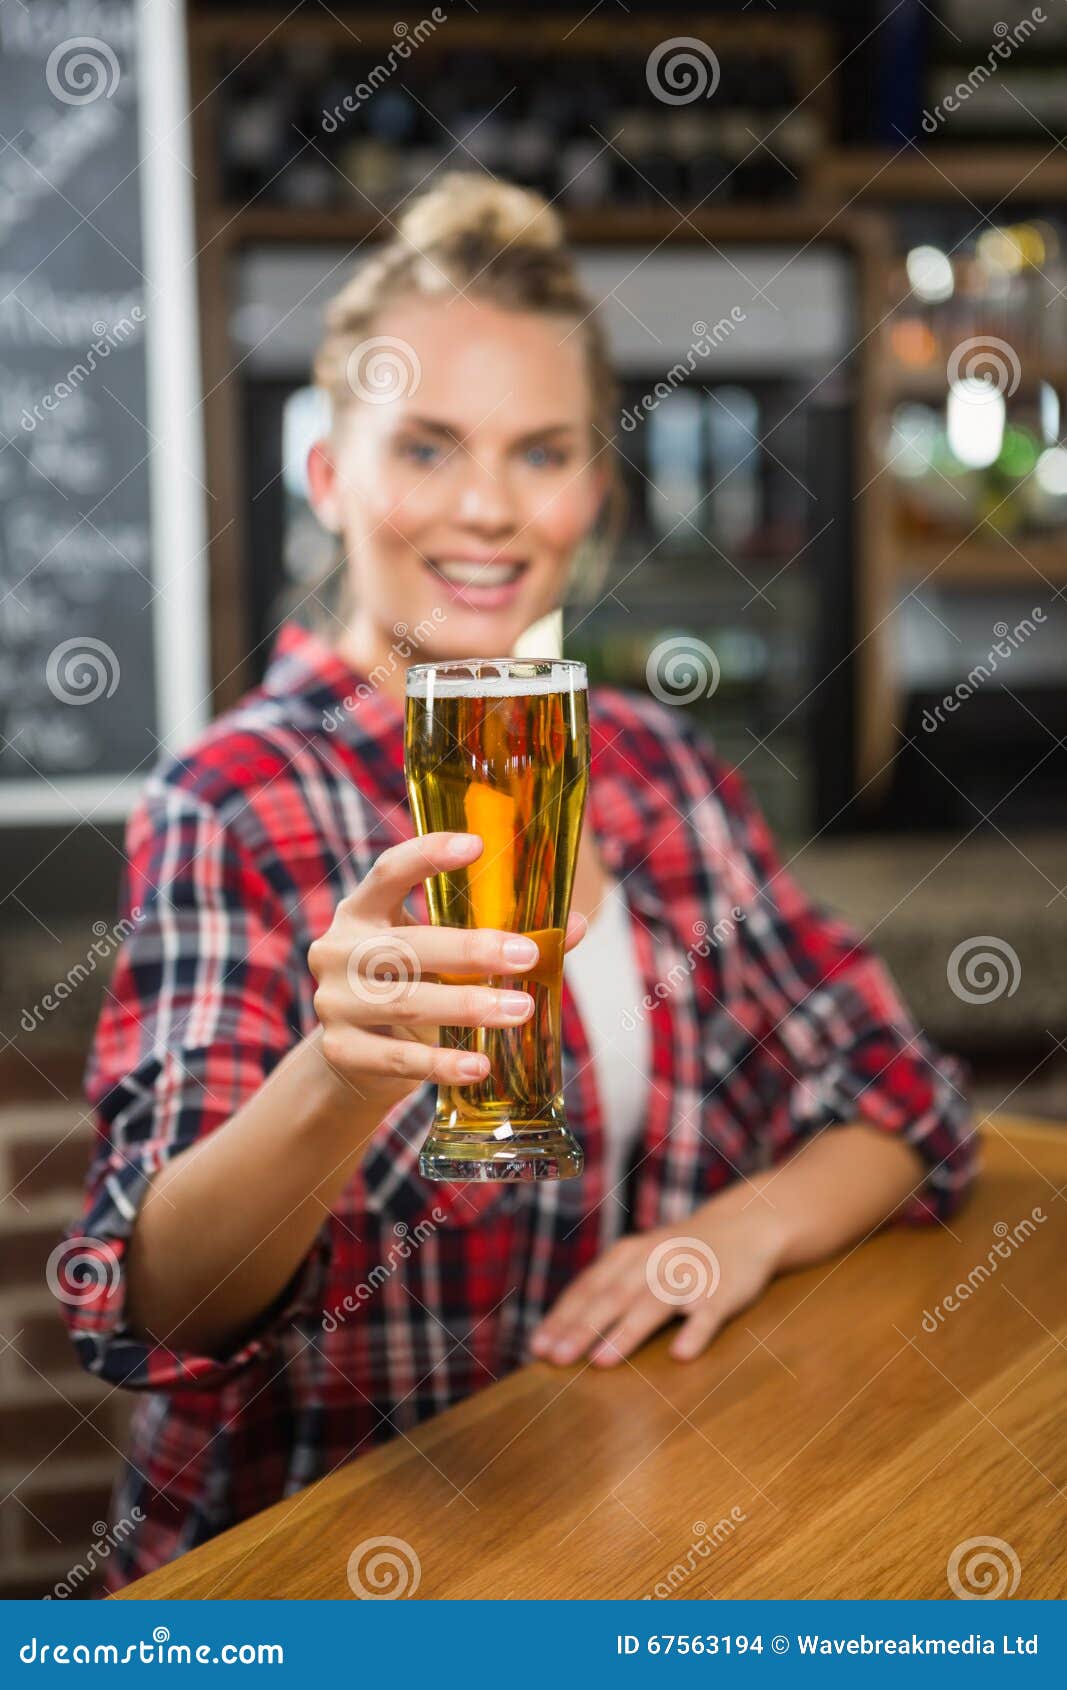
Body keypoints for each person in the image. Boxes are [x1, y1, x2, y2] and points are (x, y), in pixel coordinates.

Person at [58, 172, 976, 1594]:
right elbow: (159, 1304)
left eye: (542, 453)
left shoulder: (655, 767)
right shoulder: (234, 798)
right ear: (330, 473)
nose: (487, 508)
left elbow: (901, 1093)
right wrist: (338, 1074)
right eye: (426, 447)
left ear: (594, 490)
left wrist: (736, 1229)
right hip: (314, 1584)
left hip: (626, 1538)